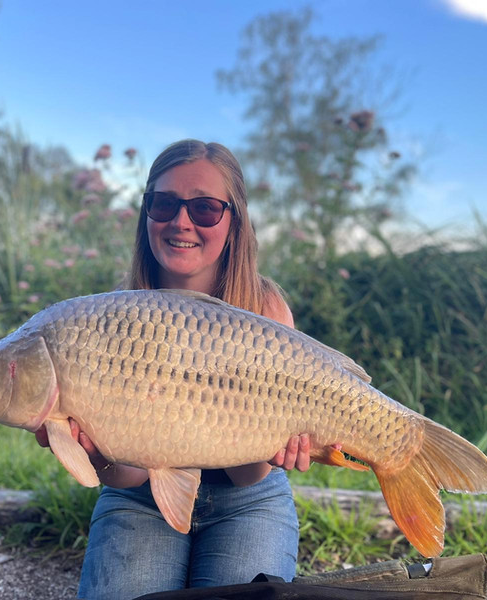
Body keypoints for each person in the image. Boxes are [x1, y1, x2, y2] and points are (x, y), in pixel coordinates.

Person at [35, 139, 312, 600]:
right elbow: (129, 477)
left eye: (204, 208)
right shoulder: (113, 317)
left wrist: (276, 442)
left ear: (234, 220)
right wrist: (97, 451)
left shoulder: (265, 309)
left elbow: (250, 476)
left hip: (247, 499)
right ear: (147, 214)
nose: (181, 222)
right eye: (163, 204)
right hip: (139, 499)